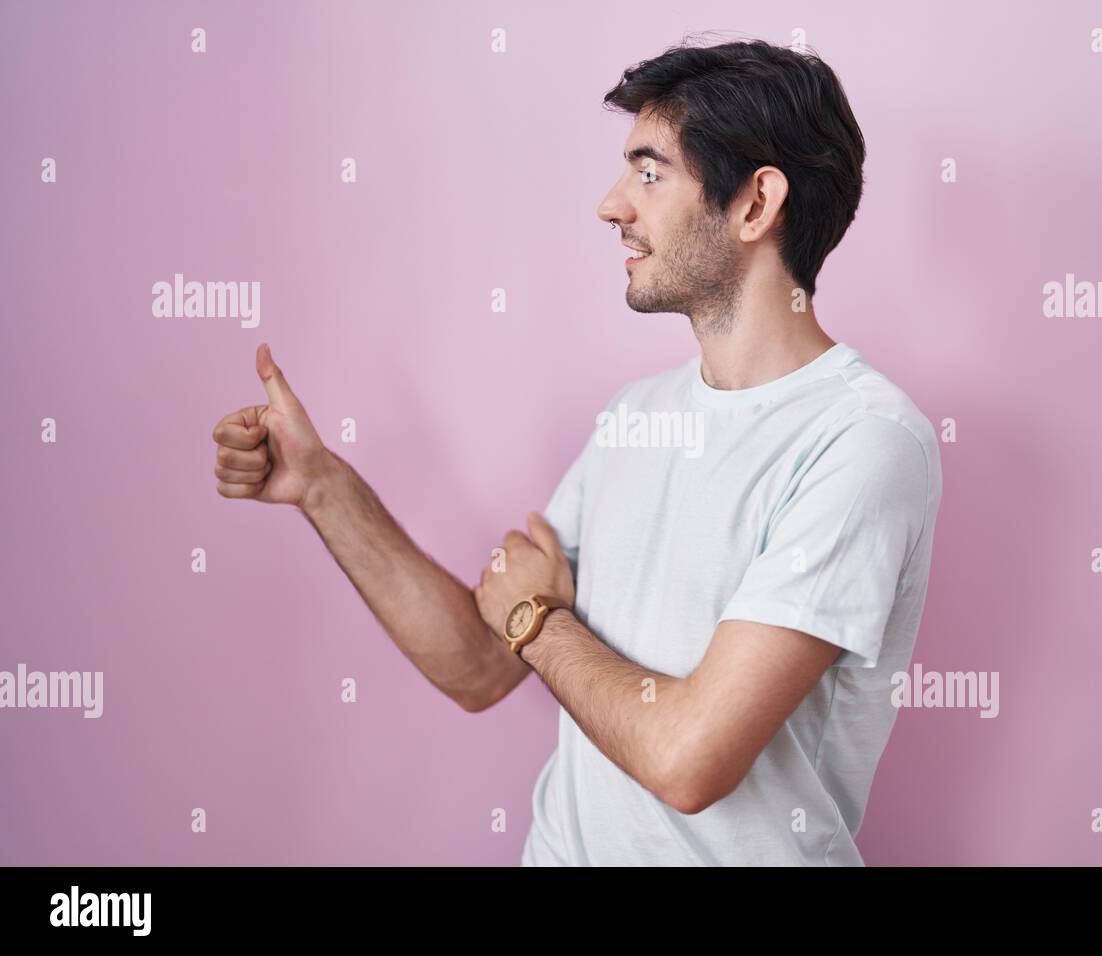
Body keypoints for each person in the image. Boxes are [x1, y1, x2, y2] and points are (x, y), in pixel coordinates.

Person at [210, 38, 942, 866]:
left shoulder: (863, 442)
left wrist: (539, 619)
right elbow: (481, 667)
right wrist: (321, 486)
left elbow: (688, 759)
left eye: (650, 171)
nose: (612, 205)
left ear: (754, 204)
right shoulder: (637, 416)